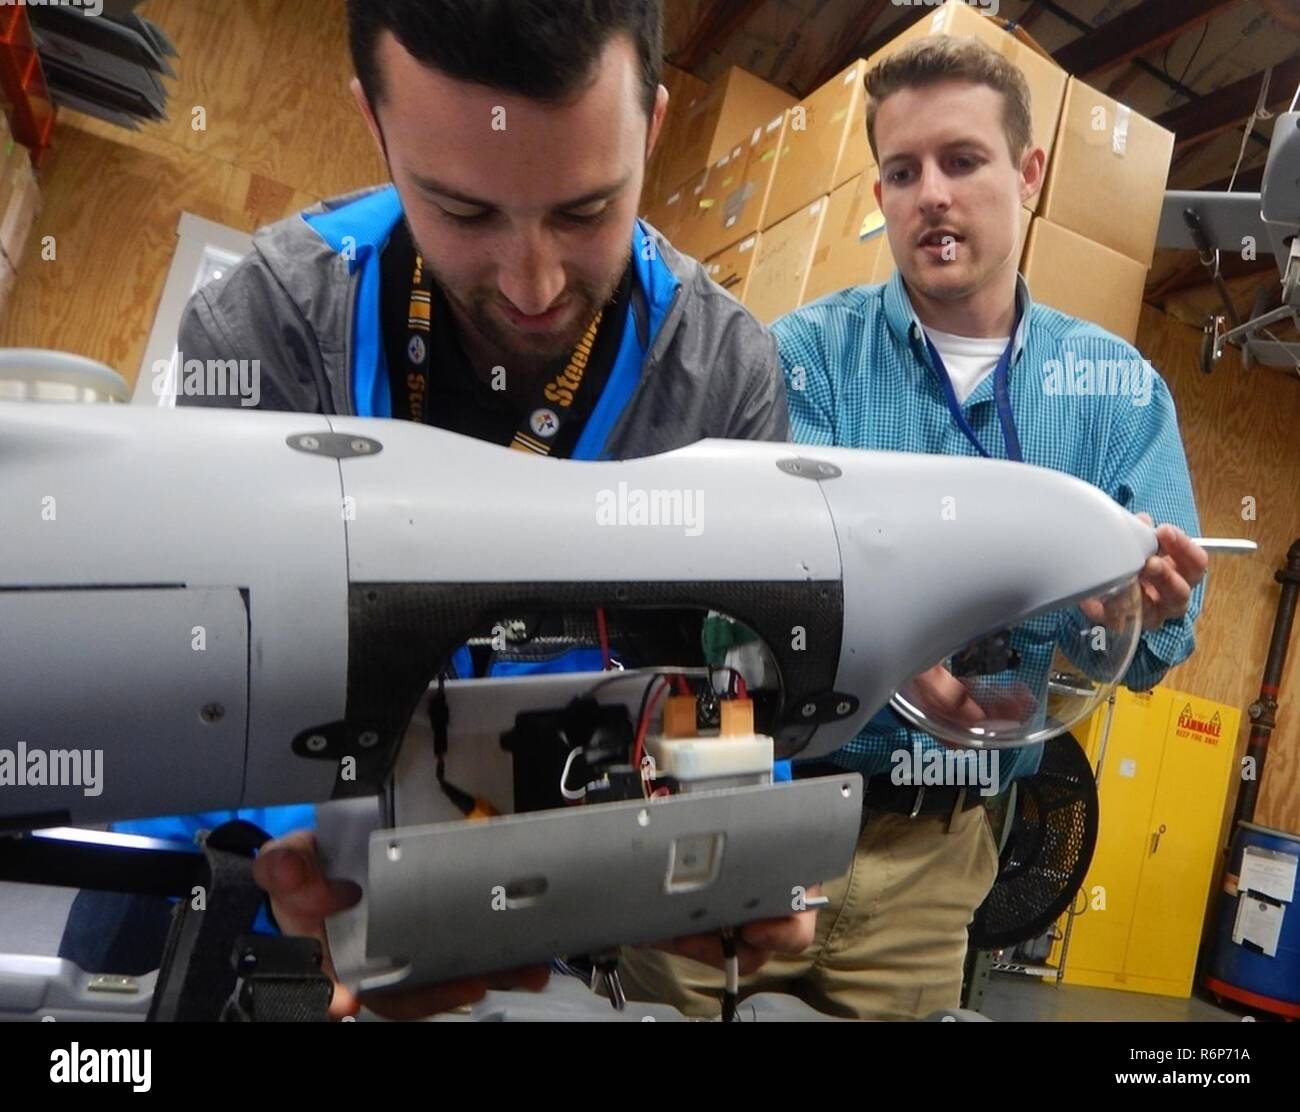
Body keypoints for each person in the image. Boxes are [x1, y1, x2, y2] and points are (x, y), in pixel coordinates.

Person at [59, 0, 815, 1018]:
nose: (533, 281)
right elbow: (200, 660)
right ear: (374, 124)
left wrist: (733, 821)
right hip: (242, 872)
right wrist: (340, 848)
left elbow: (723, 679)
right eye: (464, 214)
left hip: (532, 908)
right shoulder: (272, 316)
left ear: (656, 127)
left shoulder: (721, 377)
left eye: (586, 211)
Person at [615, 34, 1209, 1021]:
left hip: (931, 865)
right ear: (880, 193)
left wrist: (1138, 606)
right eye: (901, 170)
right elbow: (720, 593)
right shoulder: (794, 358)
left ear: (1028, 174)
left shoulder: (1113, 398)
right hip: (738, 815)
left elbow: (1155, 649)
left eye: (961, 160)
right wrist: (879, 649)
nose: (929, 193)